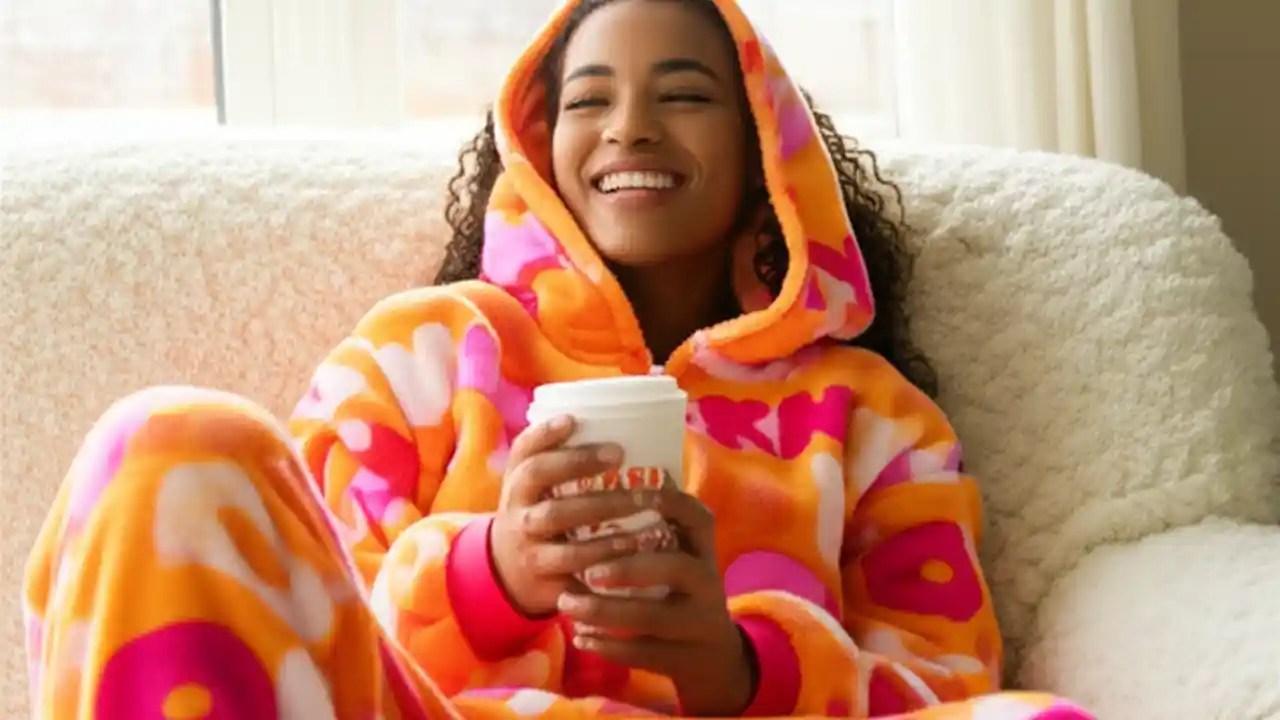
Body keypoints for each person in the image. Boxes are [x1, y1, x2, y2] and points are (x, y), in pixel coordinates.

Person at [22, 0, 1093, 718]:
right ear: (537, 146)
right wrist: (487, 575)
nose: (629, 128)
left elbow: (947, 682)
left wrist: (737, 668)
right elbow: (315, 611)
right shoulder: (421, 356)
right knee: (169, 442)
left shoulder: (875, 423)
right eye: (587, 100)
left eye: (681, 94)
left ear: (769, 145)